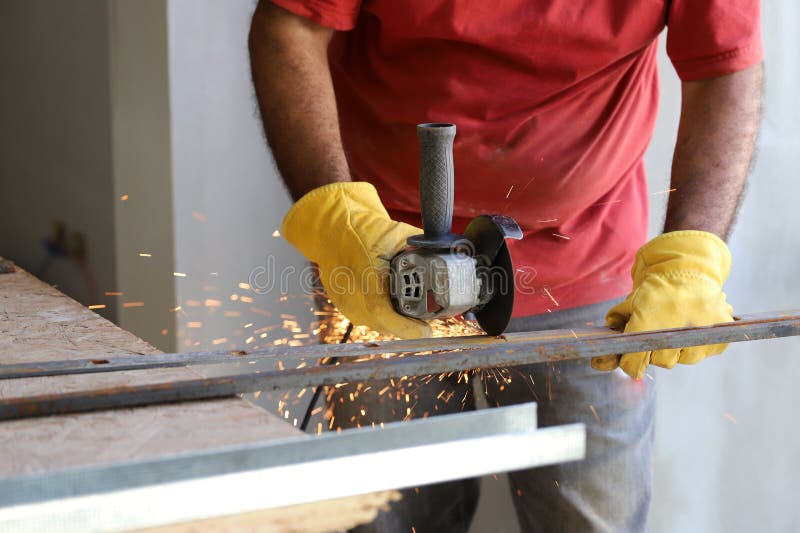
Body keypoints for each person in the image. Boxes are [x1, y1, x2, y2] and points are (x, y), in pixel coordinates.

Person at [249, 1, 763, 530]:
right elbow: (290, 25)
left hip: (587, 265)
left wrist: (694, 252)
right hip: (387, 264)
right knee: (388, 519)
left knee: (592, 520)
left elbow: (724, 66)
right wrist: (341, 221)